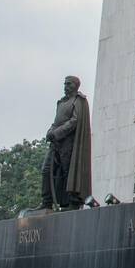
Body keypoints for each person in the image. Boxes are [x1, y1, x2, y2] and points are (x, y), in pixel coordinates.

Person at [37, 76, 92, 210]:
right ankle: (46, 202)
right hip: (56, 142)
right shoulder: (61, 102)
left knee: (69, 172)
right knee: (46, 170)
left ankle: (72, 202)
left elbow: (74, 121)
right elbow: (55, 122)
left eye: (69, 84)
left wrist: (56, 133)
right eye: (65, 84)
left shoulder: (79, 101)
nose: (66, 86)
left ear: (76, 86)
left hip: (69, 142)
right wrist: (50, 131)